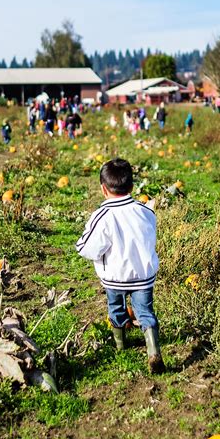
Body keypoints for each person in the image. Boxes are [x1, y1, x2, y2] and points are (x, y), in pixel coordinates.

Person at [75, 158, 165, 374]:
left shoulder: (102, 216)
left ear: (103, 189)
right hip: (143, 276)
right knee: (145, 312)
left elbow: (86, 247)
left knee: (116, 308)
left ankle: (120, 347)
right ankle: (153, 352)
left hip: (114, 277)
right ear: (132, 187)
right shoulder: (146, 212)